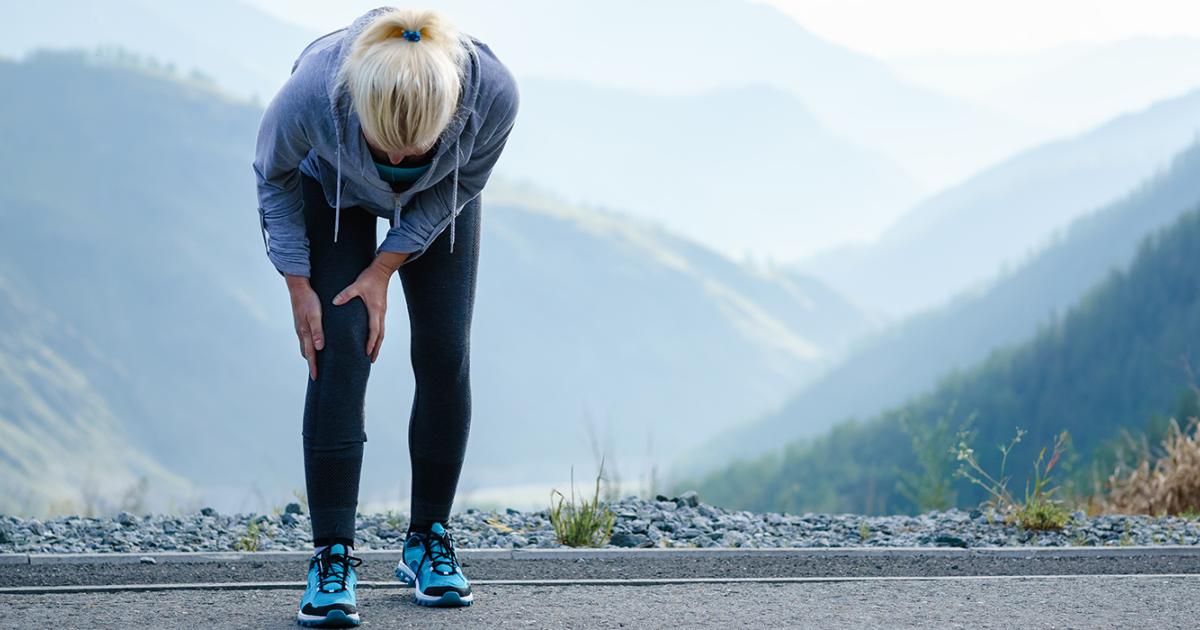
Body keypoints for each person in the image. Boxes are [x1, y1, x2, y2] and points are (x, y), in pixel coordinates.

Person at [253, 6, 519, 626]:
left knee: (445, 350)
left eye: (414, 152)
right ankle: (332, 554)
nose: (397, 162)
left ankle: (427, 539)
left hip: (442, 198)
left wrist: (384, 268)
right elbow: (273, 177)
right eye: (384, 148)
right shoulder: (312, 95)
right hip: (332, 189)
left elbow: (468, 183)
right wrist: (298, 282)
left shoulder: (493, 96)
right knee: (336, 342)